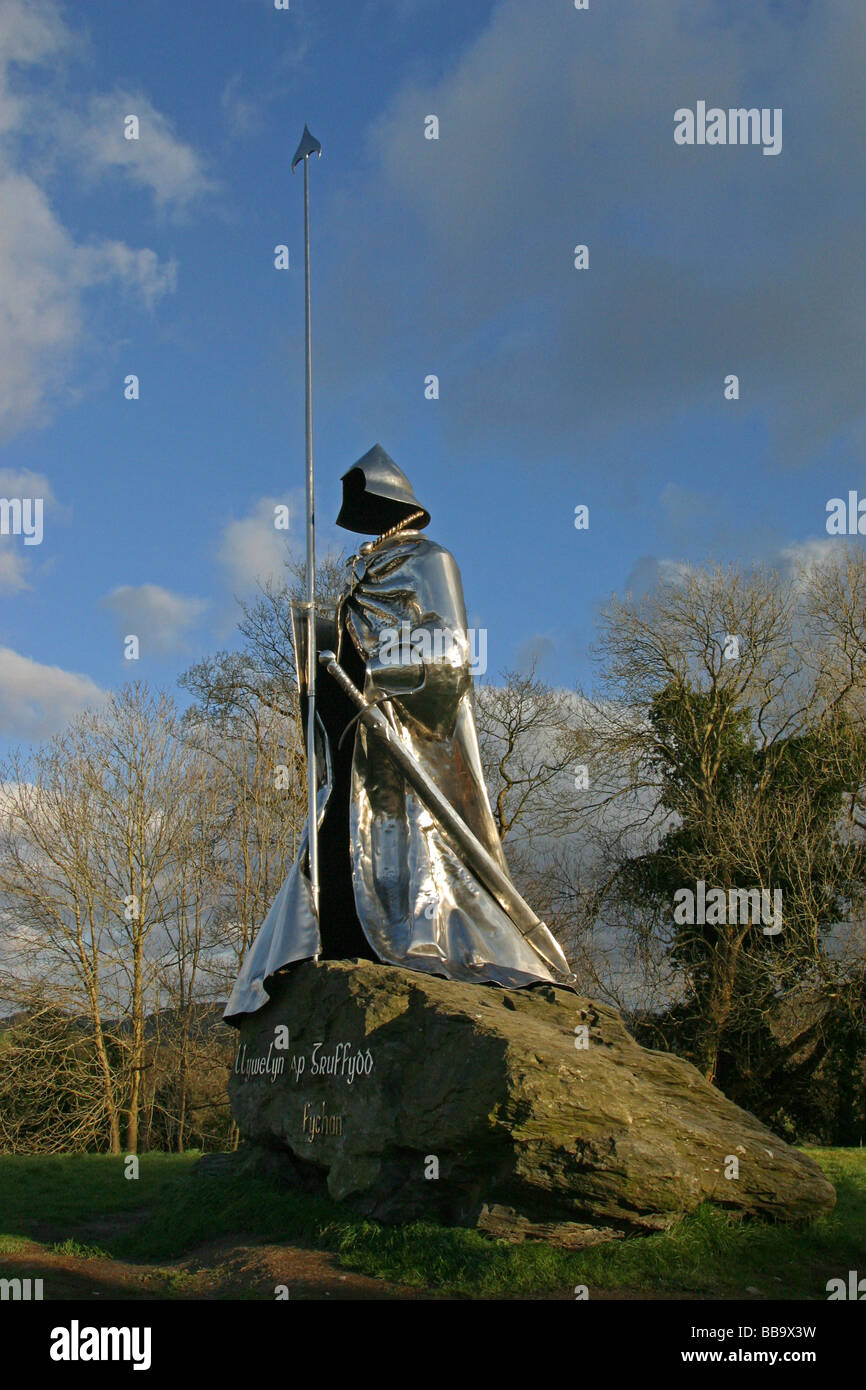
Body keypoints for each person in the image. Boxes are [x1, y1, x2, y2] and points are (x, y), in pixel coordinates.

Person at [224, 445, 558, 1021]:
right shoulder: (359, 574)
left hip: (405, 744)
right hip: (356, 747)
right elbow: (347, 654)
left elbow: (451, 654)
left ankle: (432, 941)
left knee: (409, 858)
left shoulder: (432, 561)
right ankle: (324, 950)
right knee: (332, 847)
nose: (351, 509)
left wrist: (375, 672)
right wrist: (318, 641)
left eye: (359, 495)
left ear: (384, 496)